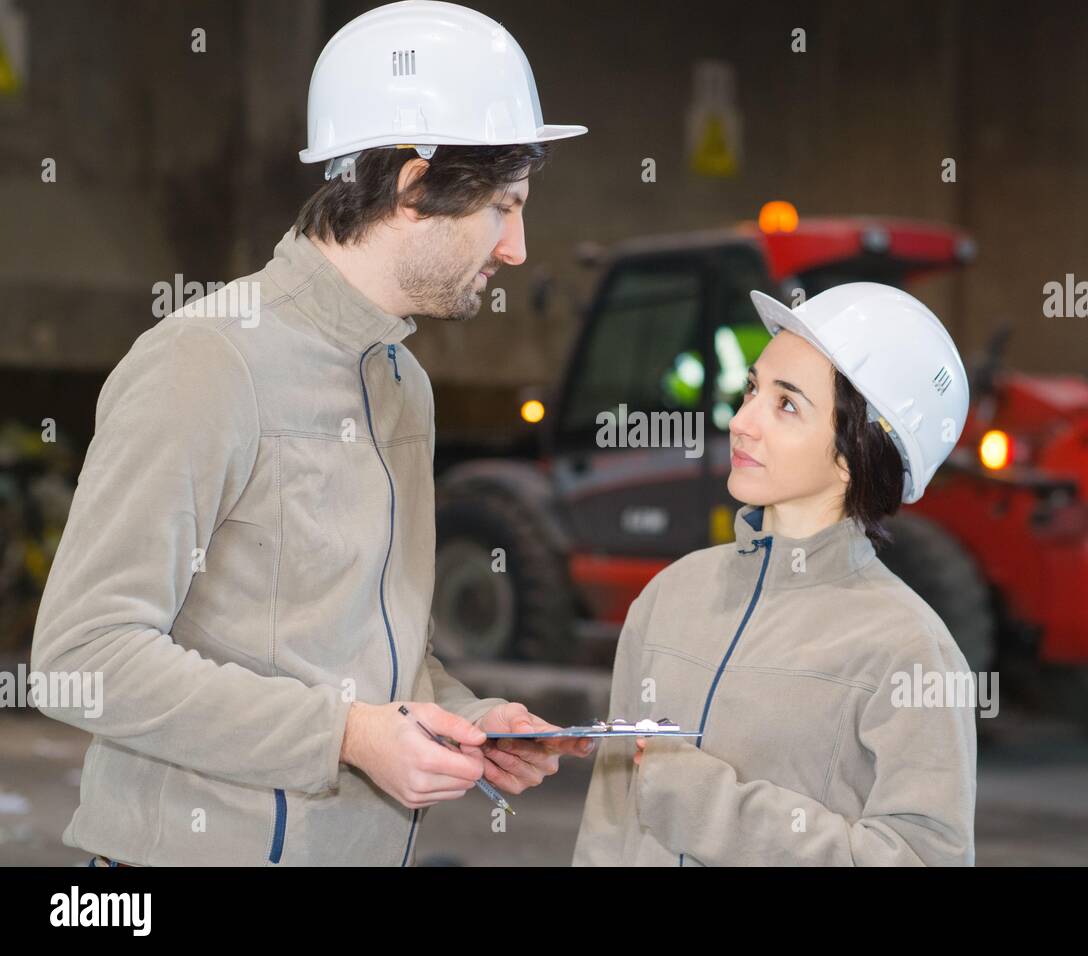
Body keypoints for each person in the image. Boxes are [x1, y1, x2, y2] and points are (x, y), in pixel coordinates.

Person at [30, 1, 590, 866]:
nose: (517, 246)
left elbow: (361, 649)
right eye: (503, 208)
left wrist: (468, 717)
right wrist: (347, 736)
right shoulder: (207, 361)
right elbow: (82, 655)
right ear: (413, 187)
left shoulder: (403, 384)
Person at [572, 282, 979, 866]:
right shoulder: (670, 596)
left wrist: (708, 805)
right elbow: (607, 825)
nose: (742, 421)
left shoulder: (910, 651)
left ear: (852, 453)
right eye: (752, 390)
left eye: (786, 404)